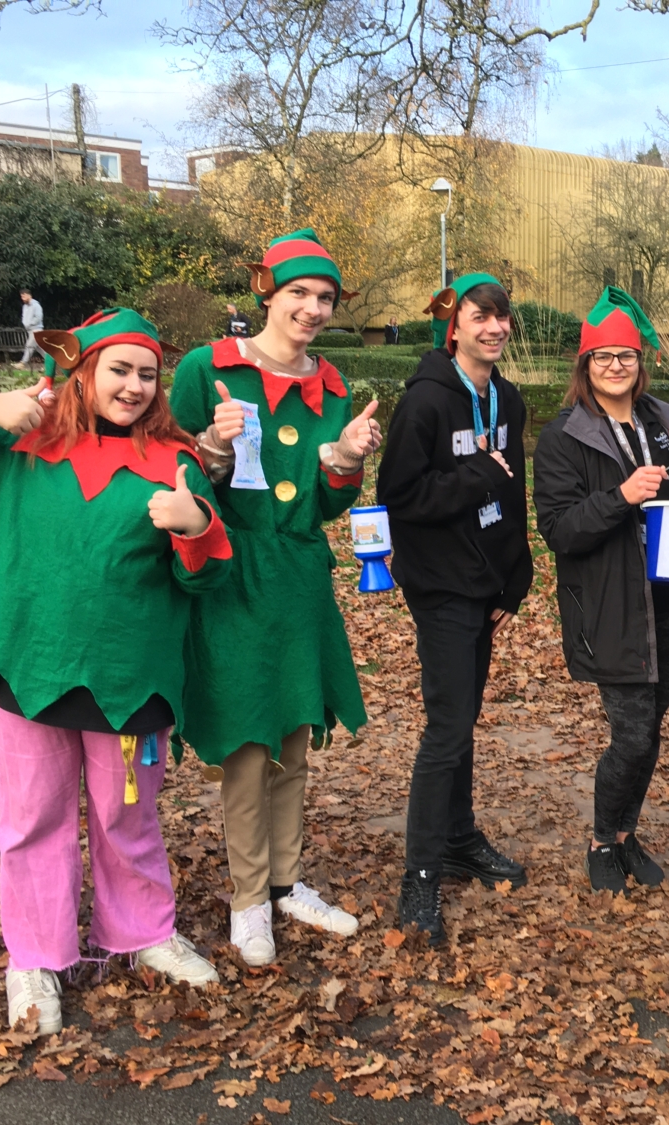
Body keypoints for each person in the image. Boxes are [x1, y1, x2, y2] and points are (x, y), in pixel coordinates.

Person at [0, 309, 229, 1033]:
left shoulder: (177, 457)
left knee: (126, 812)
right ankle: (36, 953)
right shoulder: (23, 434)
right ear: (83, 369)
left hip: (131, 674)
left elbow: (207, 577)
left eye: (148, 373)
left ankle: (141, 930)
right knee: (33, 817)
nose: (136, 385)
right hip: (31, 659)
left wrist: (194, 524)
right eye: (120, 369)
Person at [170, 229, 379, 967]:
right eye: (300, 293)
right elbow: (175, 471)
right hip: (233, 570)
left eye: (325, 297)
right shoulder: (208, 368)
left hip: (297, 574)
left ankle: (288, 879)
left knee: (294, 734)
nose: (314, 308)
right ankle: (249, 895)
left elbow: (321, 501)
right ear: (269, 292)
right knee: (247, 742)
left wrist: (348, 459)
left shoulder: (334, 386)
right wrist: (214, 449)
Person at [533, 287, 669, 894]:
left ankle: (626, 831)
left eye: (627, 356)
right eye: (603, 357)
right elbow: (559, 530)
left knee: (650, 732)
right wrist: (621, 497)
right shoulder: (566, 436)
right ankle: (601, 839)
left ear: (642, 363)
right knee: (632, 734)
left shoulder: (665, 419)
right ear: (585, 366)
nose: (616, 366)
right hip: (612, 606)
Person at [375, 273, 533, 943]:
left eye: (502, 318)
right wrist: (478, 476)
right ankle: (420, 874)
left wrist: (514, 579)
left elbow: (513, 488)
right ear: (455, 324)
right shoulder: (427, 403)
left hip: (485, 583)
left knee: (464, 716)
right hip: (439, 585)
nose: (494, 328)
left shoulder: (509, 399)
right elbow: (400, 496)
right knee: (446, 725)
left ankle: (461, 837)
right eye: (482, 317)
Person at [14, 288, 44, 369]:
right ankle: (51, 361)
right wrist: (25, 324)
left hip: (36, 330)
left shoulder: (36, 305)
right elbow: (24, 317)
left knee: (29, 345)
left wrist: (30, 323)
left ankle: (22, 363)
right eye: (21, 296)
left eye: (23, 296)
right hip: (29, 330)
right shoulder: (25, 306)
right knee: (40, 348)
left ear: (28, 295)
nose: (22, 298)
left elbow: (39, 317)